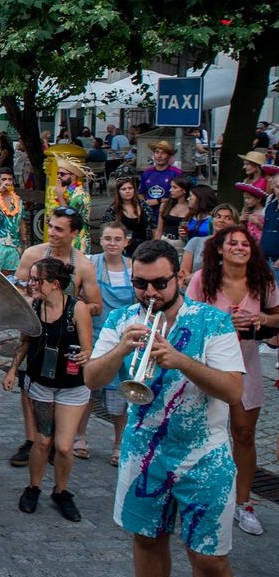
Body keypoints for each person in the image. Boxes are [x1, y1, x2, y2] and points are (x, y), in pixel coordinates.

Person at [86, 239, 243, 577]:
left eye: (159, 283)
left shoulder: (213, 321)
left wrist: (181, 361)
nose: (150, 292)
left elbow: (233, 390)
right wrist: (119, 351)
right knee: (147, 542)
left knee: (208, 559)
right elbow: (92, 379)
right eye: (140, 284)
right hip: (142, 453)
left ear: (180, 277)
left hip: (203, 455)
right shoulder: (121, 319)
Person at [185, 226, 275, 537]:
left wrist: (262, 319)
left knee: (244, 433)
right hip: (207, 365)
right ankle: (196, 493)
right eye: (232, 243)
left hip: (246, 364)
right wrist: (223, 321)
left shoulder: (263, 281)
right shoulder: (202, 280)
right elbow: (186, 320)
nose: (239, 247)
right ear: (220, 249)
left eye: (244, 243)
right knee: (200, 429)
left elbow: (278, 317)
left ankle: (244, 503)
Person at [2, 257, 93, 522]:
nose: (31, 284)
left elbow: (88, 348)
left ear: (54, 284)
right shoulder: (33, 306)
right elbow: (25, 342)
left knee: (64, 447)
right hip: (40, 382)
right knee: (42, 441)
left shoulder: (78, 309)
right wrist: (12, 369)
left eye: (36, 280)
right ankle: (33, 487)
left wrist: (85, 356)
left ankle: (61, 491)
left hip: (72, 386)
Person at [84, 223, 135, 467]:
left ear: (127, 242)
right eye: (107, 238)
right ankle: (80, 437)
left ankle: (118, 444)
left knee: (120, 399)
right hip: (94, 333)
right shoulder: (90, 263)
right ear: (100, 241)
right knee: (87, 392)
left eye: (117, 238)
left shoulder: (133, 268)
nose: (112, 243)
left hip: (123, 338)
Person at [46, 158, 91, 252]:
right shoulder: (66, 192)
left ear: (73, 176)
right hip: (66, 241)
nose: (59, 176)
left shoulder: (80, 196)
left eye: (62, 174)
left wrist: (59, 196)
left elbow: (70, 218)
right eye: (58, 173)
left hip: (77, 243)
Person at [181, 204, 239, 275]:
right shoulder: (195, 242)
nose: (222, 220)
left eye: (228, 218)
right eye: (218, 216)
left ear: (235, 224)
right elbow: (183, 273)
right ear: (212, 220)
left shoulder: (237, 246)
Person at [103, 176, 154, 257]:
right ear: (118, 192)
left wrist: (154, 245)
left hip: (145, 246)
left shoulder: (143, 205)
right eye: (123, 189)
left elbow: (153, 225)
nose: (127, 191)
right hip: (124, 248)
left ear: (134, 190)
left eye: (130, 188)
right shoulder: (113, 210)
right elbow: (106, 229)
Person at [139, 140, 184, 210]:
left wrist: (159, 201)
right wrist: (144, 204)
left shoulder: (177, 173)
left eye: (163, 153)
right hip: (149, 214)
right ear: (153, 154)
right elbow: (140, 193)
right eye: (157, 152)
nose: (159, 156)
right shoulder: (147, 173)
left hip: (169, 212)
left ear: (169, 156)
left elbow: (182, 196)